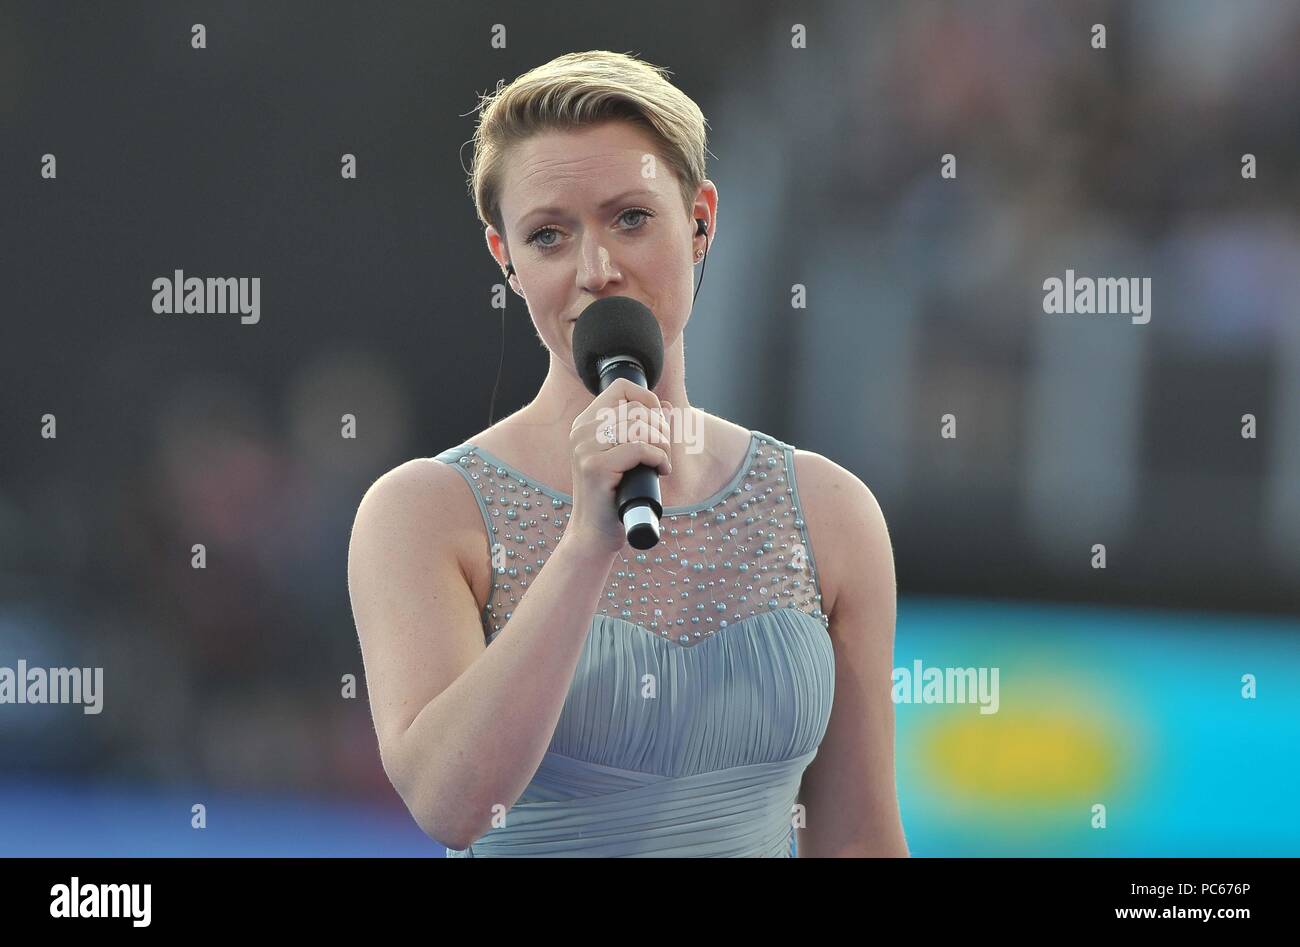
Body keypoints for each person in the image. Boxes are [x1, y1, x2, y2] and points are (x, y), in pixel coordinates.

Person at [347, 50, 906, 857]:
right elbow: (451, 801)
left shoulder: (829, 510)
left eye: (632, 218)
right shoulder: (423, 512)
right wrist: (583, 546)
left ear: (703, 220)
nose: (597, 269)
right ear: (505, 258)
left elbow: (859, 839)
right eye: (549, 236)